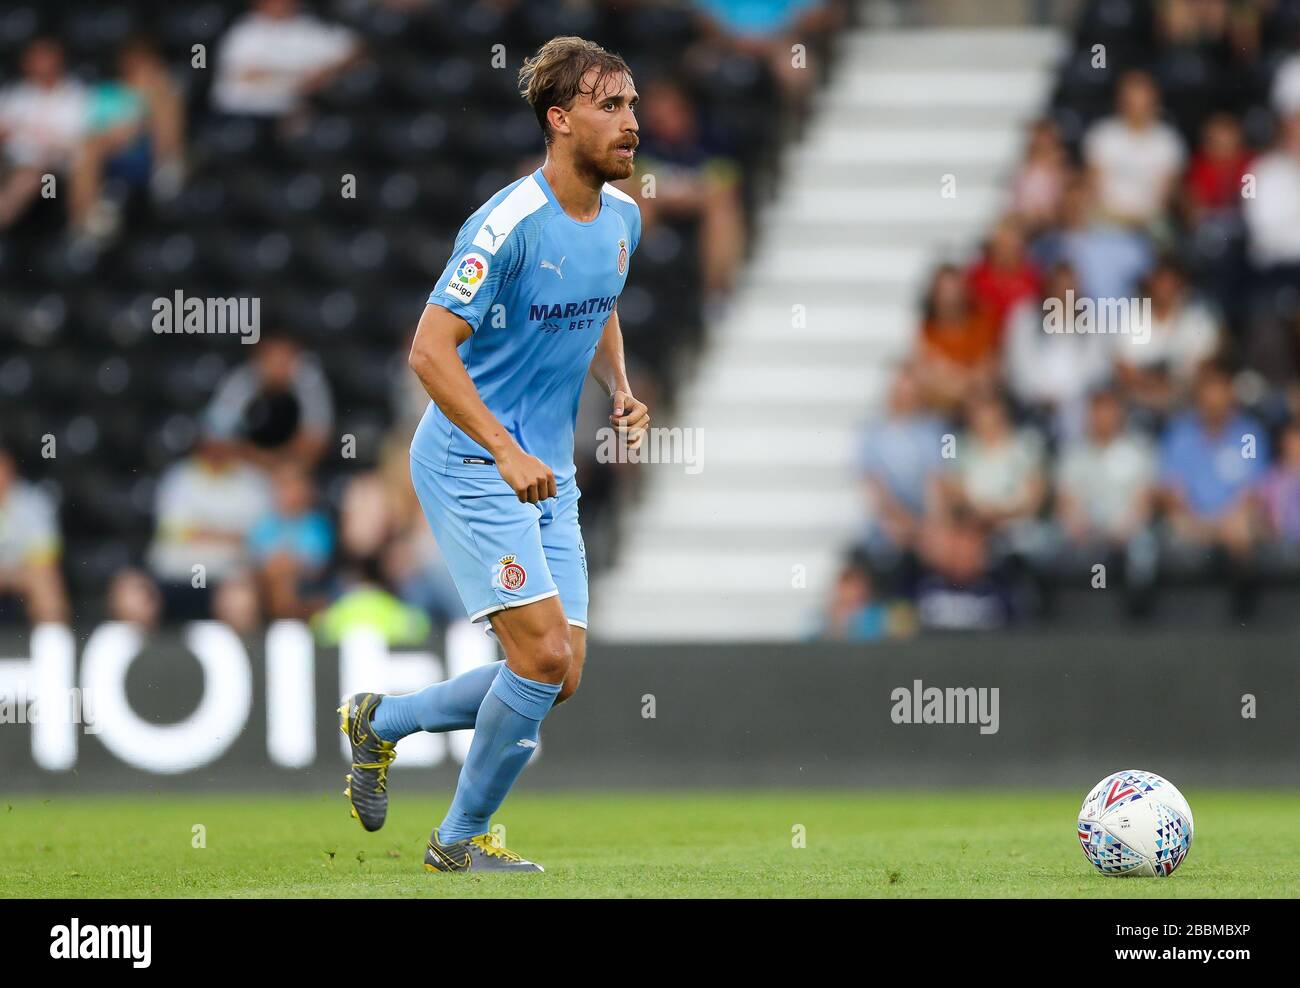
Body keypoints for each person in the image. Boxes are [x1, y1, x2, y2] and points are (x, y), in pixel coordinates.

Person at [338, 37, 650, 874]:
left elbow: (598, 299)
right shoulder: (505, 224)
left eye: (632, 106)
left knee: (561, 670)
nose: (631, 124)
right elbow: (429, 352)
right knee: (541, 657)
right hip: (473, 464)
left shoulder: (624, 217)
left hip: (546, 471)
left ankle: (382, 723)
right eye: (610, 107)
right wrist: (507, 451)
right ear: (559, 120)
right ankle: (458, 841)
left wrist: (617, 386)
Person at [0, 443, 68, 625]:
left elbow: (44, 559)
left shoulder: (33, 502)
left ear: (10, 468)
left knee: (44, 579)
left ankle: (52, 643)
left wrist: (10, 574)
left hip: (22, 573)